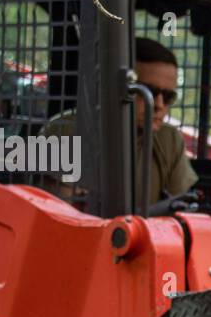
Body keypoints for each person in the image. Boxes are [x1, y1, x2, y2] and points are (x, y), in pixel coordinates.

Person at [42, 36, 199, 215]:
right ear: (115, 87)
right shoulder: (66, 131)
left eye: (168, 96)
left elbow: (181, 210)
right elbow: (60, 220)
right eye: (147, 92)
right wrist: (149, 214)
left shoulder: (168, 139)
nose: (159, 105)